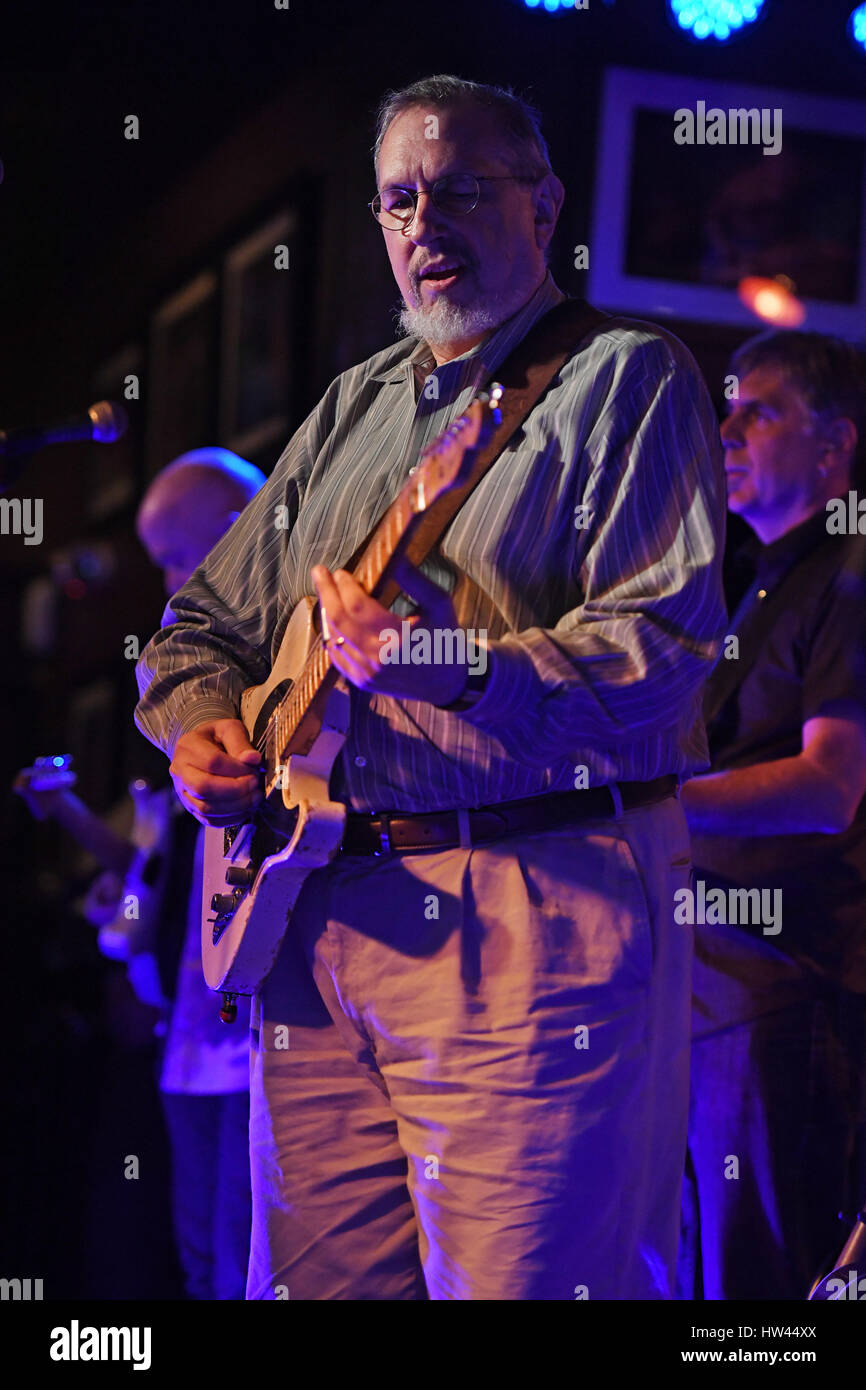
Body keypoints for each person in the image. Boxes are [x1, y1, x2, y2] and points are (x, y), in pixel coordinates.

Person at [134, 75, 726, 1300]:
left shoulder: (625, 378)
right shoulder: (354, 403)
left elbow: (661, 651)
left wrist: (450, 669)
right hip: (318, 913)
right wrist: (198, 727)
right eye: (400, 199)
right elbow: (198, 625)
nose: (425, 222)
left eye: (460, 190)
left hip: (531, 908)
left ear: (542, 202)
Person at [677, 330, 866, 1300]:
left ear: (832, 448)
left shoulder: (851, 569)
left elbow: (830, 784)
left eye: (760, 409)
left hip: (776, 982)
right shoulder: (753, 579)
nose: (726, 427)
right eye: (727, 404)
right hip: (706, 977)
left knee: (754, 1288)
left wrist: (650, 809)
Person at [102, 447, 266, 1299]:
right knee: (200, 1256)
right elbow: (153, 875)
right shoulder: (187, 680)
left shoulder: (281, 655)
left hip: (255, 1031)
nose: (167, 580)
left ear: (237, 537)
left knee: (248, 1256)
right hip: (190, 1033)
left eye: (175, 554)